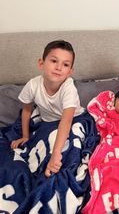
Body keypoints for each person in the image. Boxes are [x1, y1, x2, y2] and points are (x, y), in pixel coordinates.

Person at [10, 40, 84, 177]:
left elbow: (66, 121)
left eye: (65, 64)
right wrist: (25, 136)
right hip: (48, 122)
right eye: (54, 61)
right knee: (40, 148)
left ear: (70, 71)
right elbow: (26, 110)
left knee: (67, 148)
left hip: (73, 119)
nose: (59, 67)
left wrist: (56, 155)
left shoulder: (68, 88)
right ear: (41, 63)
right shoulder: (33, 85)